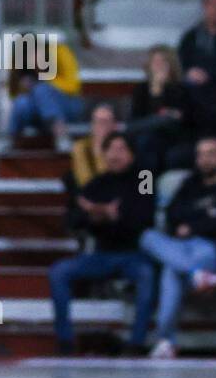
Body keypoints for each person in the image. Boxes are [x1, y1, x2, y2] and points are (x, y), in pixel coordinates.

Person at [49, 133, 156, 355]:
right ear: (104, 154)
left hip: (133, 253)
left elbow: (145, 217)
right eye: (111, 150)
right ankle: (65, 341)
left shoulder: (144, 178)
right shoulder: (96, 184)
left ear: (131, 154)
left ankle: (137, 343)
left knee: (146, 274)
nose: (115, 155)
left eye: (121, 149)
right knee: (58, 272)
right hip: (101, 254)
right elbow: (73, 219)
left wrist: (114, 216)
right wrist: (94, 216)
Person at [141, 136, 216, 359]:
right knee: (148, 237)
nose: (204, 159)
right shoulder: (190, 183)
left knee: (171, 271)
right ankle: (195, 273)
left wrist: (194, 224)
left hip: (212, 247)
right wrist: (207, 217)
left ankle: (166, 340)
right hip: (182, 247)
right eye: (200, 154)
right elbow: (172, 215)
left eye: (210, 153)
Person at [70, 103, 119, 189]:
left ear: (114, 126)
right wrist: (98, 150)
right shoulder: (81, 147)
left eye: (105, 122)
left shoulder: (122, 147)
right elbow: (85, 180)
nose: (101, 126)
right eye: (98, 122)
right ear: (92, 125)